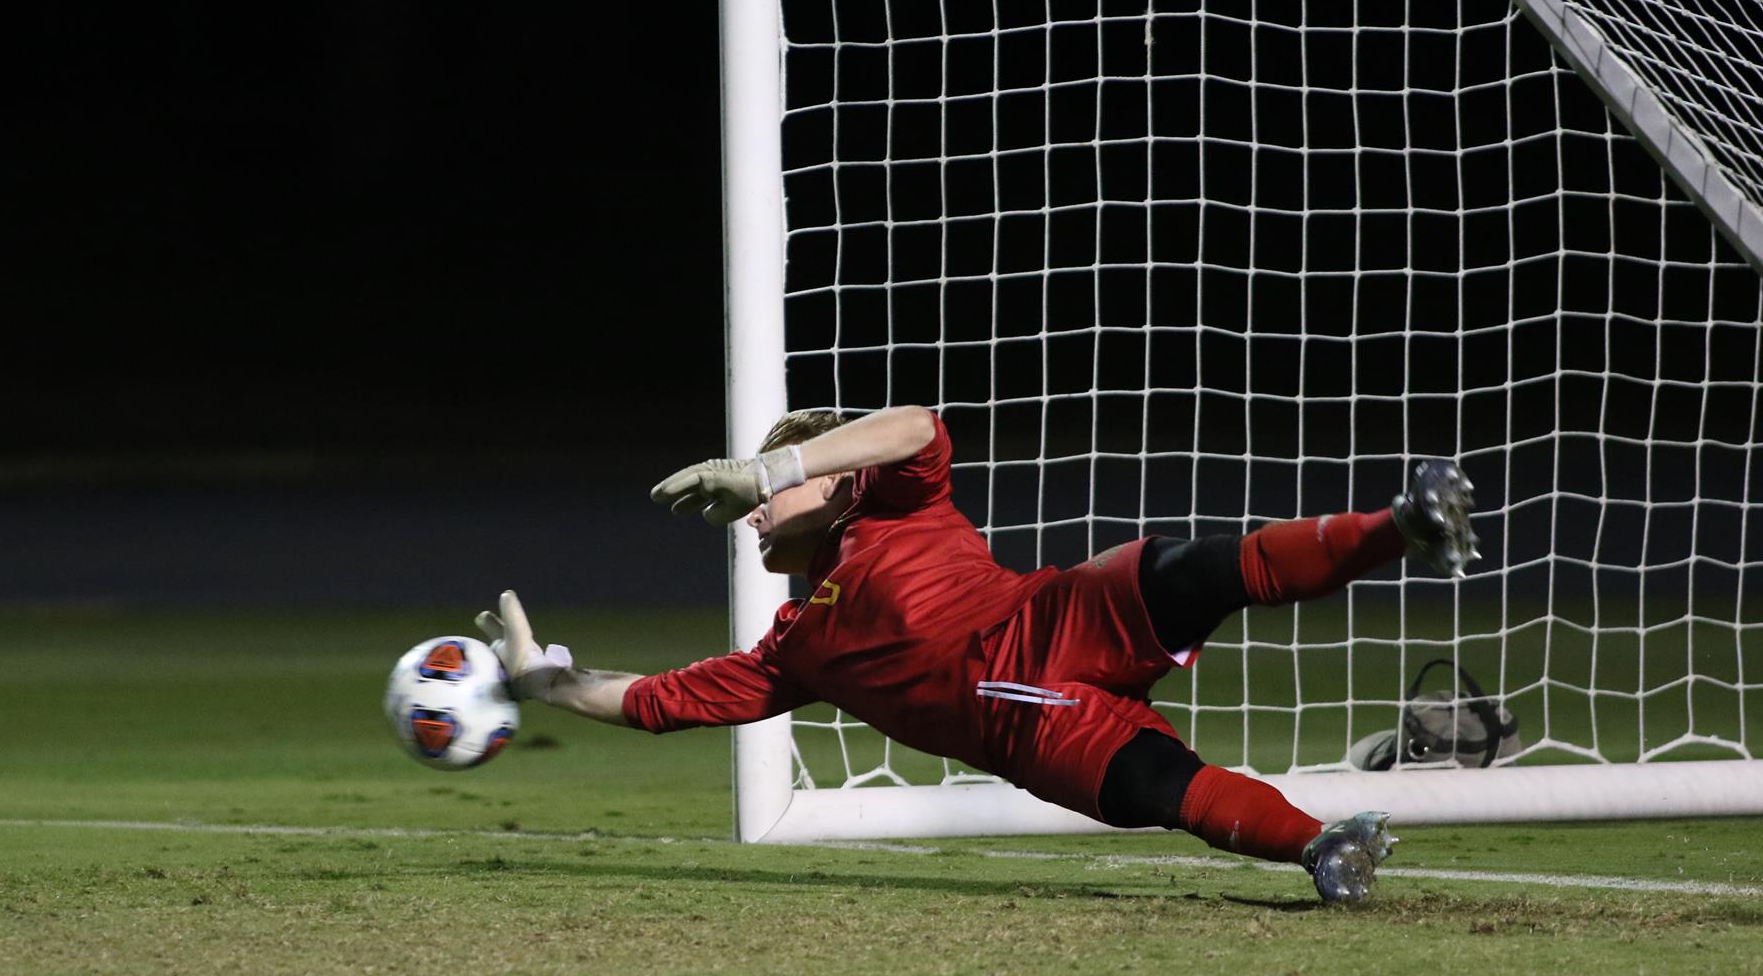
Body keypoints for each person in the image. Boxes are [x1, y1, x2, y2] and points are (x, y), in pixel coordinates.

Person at [477, 406, 1479, 902]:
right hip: (1030, 722)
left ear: (834, 487)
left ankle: (1404, 523)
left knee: (1194, 568)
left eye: (780, 492)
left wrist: (766, 464)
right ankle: (1321, 846)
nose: (753, 514)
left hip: (1060, 618)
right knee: (1168, 789)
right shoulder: (795, 648)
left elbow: (914, 428)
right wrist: (542, 678)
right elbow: (655, 700)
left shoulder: (895, 505)